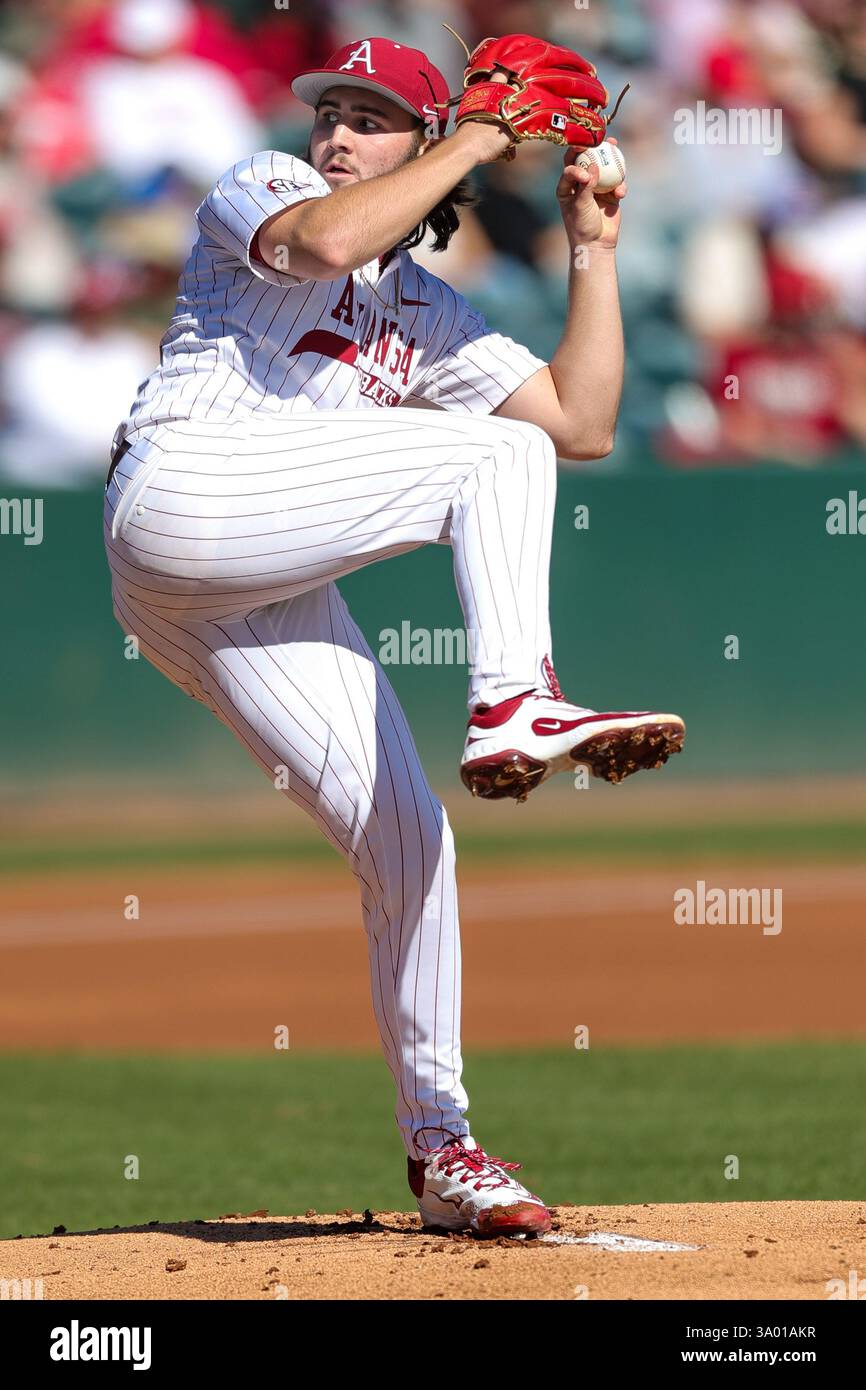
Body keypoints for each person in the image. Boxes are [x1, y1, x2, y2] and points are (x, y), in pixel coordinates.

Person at [103, 35, 685, 1237]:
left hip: (244, 589)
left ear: (419, 146)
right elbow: (326, 241)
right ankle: (516, 698)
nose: (335, 133)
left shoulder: (421, 308)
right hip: (181, 497)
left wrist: (590, 248)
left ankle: (444, 1149)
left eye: (370, 119)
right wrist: (481, 134)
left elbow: (579, 419)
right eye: (334, 110)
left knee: (410, 841)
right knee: (489, 451)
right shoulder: (261, 185)